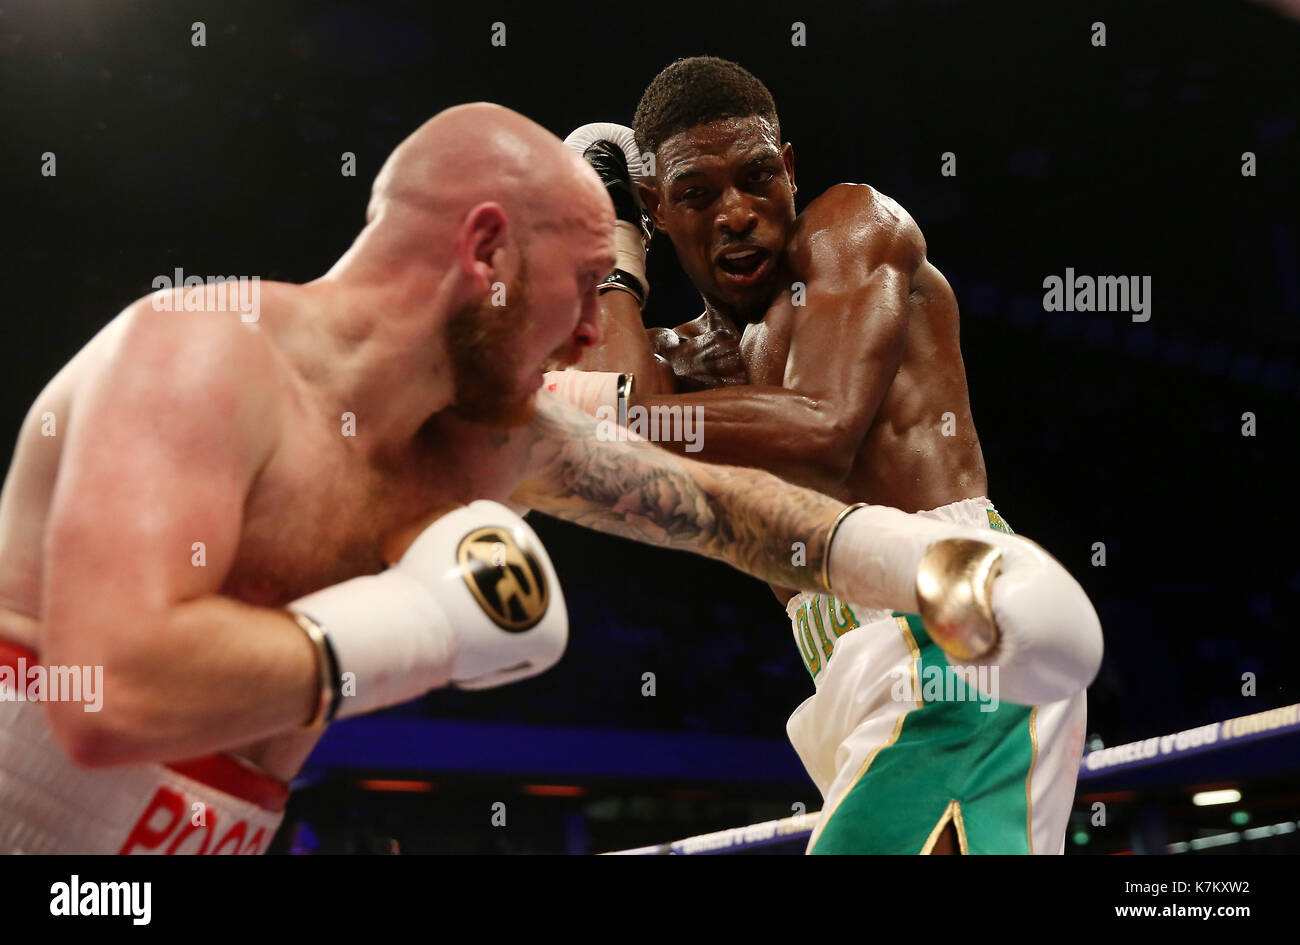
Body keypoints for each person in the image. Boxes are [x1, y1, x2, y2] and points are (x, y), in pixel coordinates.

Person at [0, 102, 1097, 854]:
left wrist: (926, 563)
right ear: (485, 254)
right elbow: (113, 691)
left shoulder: (486, 437)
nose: (593, 332)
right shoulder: (206, 352)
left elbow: (723, 514)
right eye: (584, 287)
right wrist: (416, 628)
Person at [565, 56, 1098, 853]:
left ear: (787, 167)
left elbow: (824, 425)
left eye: (754, 178)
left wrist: (630, 417)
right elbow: (595, 430)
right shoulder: (687, 357)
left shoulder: (854, 229)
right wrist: (614, 251)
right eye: (697, 196)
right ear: (656, 211)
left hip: (943, 634)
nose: (737, 213)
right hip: (857, 666)